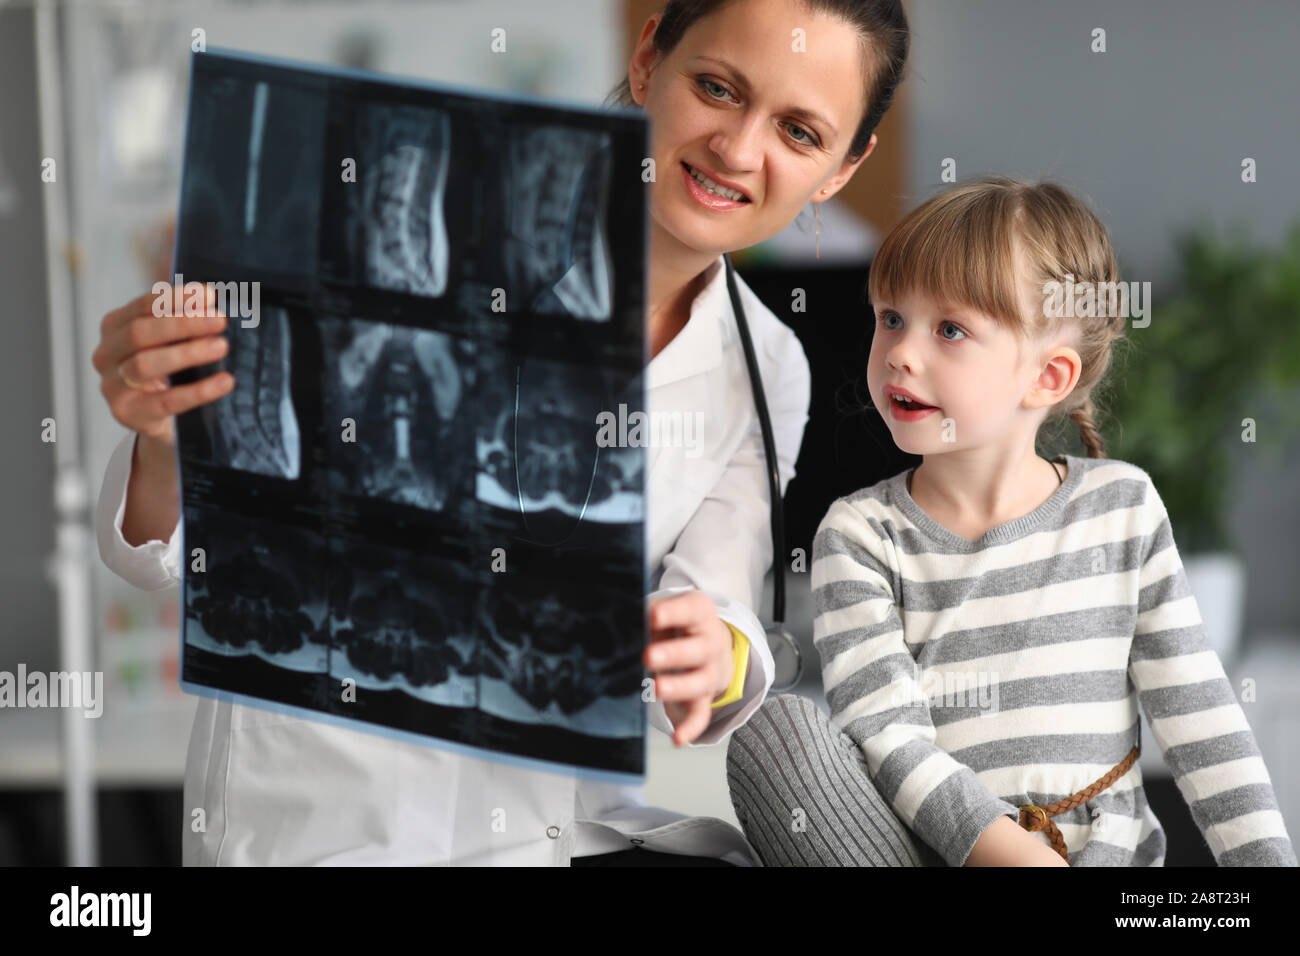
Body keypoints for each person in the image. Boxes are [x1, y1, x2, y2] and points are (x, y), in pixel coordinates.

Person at [89, 0, 910, 865]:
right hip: (315, 830)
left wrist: (718, 656)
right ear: (647, 63)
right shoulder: (382, 232)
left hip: (542, 835)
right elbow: (163, 553)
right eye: (715, 87)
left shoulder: (767, 361)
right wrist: (163, 429)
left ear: (839, 171)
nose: (739, 150)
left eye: (800, 132)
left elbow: (714, 604)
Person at [726, 177, 1299, 867]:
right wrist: (1013, 855)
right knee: (776, 732)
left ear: (1047, 379)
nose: (902, 352)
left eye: (950, 329)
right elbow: (888, 737)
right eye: (890, 317)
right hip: (935, 851)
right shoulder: (857, 535)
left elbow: (1204, 724)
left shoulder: (1122, 509)